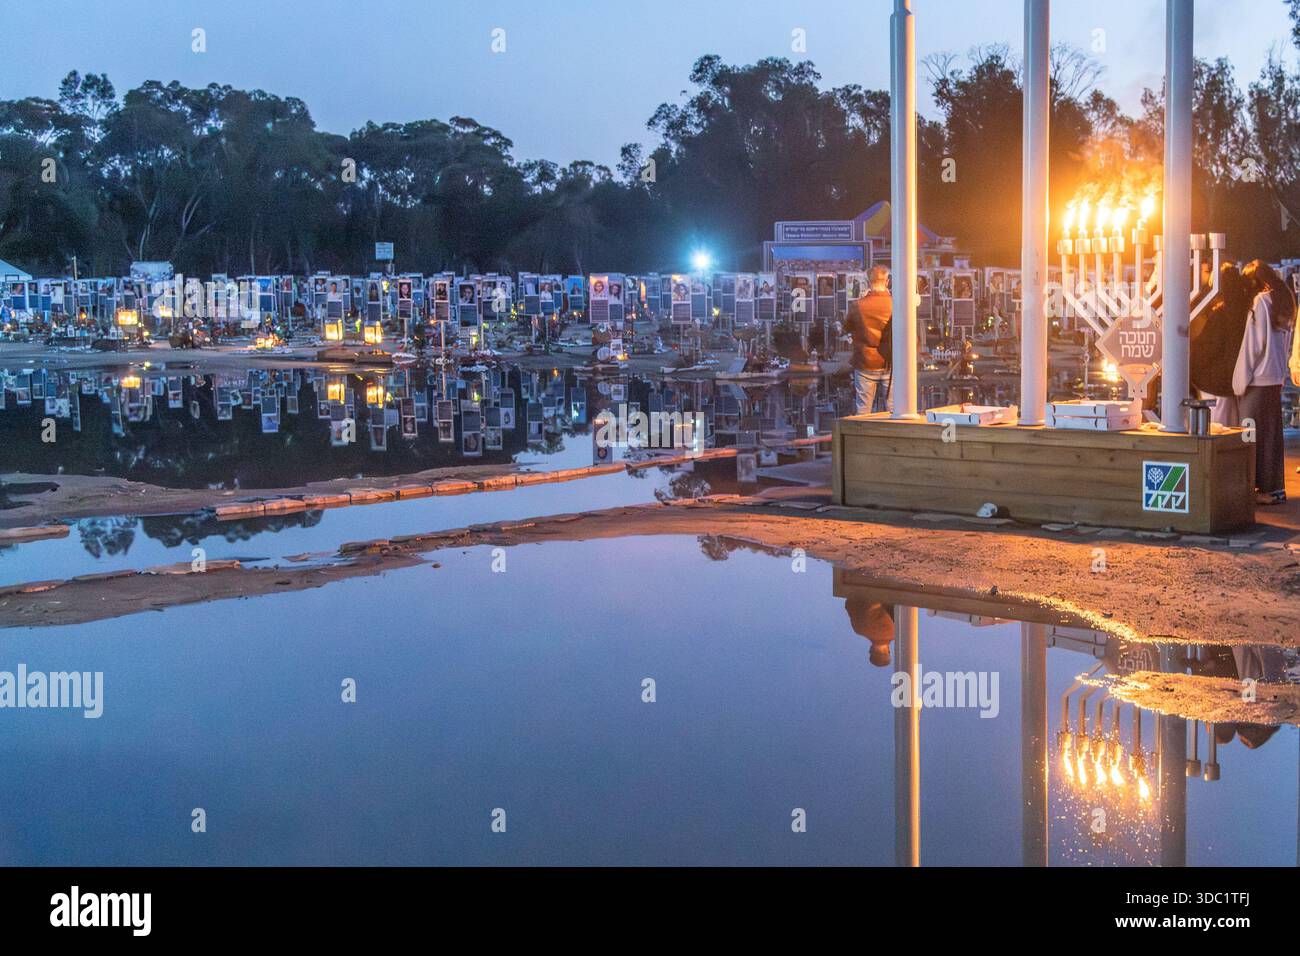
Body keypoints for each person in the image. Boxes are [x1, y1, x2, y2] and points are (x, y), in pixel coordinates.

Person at [1229, 260, 1296, 504]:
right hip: (1275, 379)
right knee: (1272, 437)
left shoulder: (1261, 302)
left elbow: (1252, 347)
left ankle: (1257, 488)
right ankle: (1274, 487)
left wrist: (1239, 382)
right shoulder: (1286, 302)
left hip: (1257, 381)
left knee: (1251, 436)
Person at [843, 265, 893, 414]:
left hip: (865, 362)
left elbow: (847, 327)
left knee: (863, 410)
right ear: (887, 281)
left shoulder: (858, 305)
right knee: (894, 409)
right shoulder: (896, 303)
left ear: (868, 282)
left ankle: (862, 436)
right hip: (891, 362)